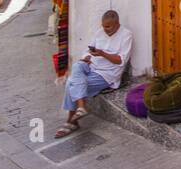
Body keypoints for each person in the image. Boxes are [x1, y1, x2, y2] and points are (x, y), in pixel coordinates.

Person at [56, 10, 132, 138]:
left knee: (71, 82)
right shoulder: (100, 32)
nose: (105, 29)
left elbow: (120, 60)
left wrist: (102, 53)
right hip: (92, 66)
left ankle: (72, 121)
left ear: (117, 23)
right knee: (77, 66)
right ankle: (80, 108)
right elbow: (87, 50)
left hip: (107, 74)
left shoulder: (126, 35)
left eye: (108, 27)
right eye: (103, 26)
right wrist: (87, 57)